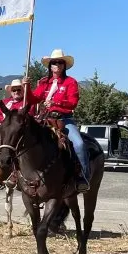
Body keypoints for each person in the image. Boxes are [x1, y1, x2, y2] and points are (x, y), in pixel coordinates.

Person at [22, 48, 89, 192]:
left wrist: (55, 103)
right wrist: (26, 87)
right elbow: (34, 99)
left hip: (64, 120)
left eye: (60, 62)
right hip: (46, 119)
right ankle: (18, 174)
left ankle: (82, 176)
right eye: (54, 62)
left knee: (79, 144)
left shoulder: (70, 82)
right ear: (50, 66)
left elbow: (73, 103)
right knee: (24, 139)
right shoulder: (44, 82)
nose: (57, 65)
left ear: (64, 65)